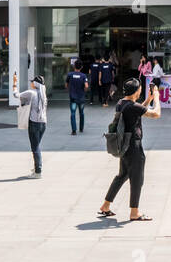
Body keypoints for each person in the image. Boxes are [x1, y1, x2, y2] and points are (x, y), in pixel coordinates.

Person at [98, 78, 161, 222]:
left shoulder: (121, 103)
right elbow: (156, 114)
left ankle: (105, 206)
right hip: (134, 147)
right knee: (137, 179)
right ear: (135, 92)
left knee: (122, 175)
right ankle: (134, 212)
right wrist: (156, 98)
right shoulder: (133, 106)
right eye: (139, 89)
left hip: (124, 146)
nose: (140, 91)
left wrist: (148, 100)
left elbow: (137, 111)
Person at [18, 74, 48, 177]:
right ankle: (36, 167)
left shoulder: (31, 93)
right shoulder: (43, 94)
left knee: (35, 148)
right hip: (43, 123)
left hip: (34, 123)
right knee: (37, 146)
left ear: (35, 83)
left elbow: (16, 95)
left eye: (32, 82)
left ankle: (38, 171)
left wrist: (14, 84)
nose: (31, 83)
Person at [64, 58, 89, 135]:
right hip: (81, 97)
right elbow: (86, 86)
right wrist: (84, 90)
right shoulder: (83, 76)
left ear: (74, 66)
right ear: (81, 67)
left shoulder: (70, 75)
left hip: (73, 97)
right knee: (81, 113)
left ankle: (74, 130)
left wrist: (70, 89)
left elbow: (66, 85)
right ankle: (81, 128)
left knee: (73, 113)